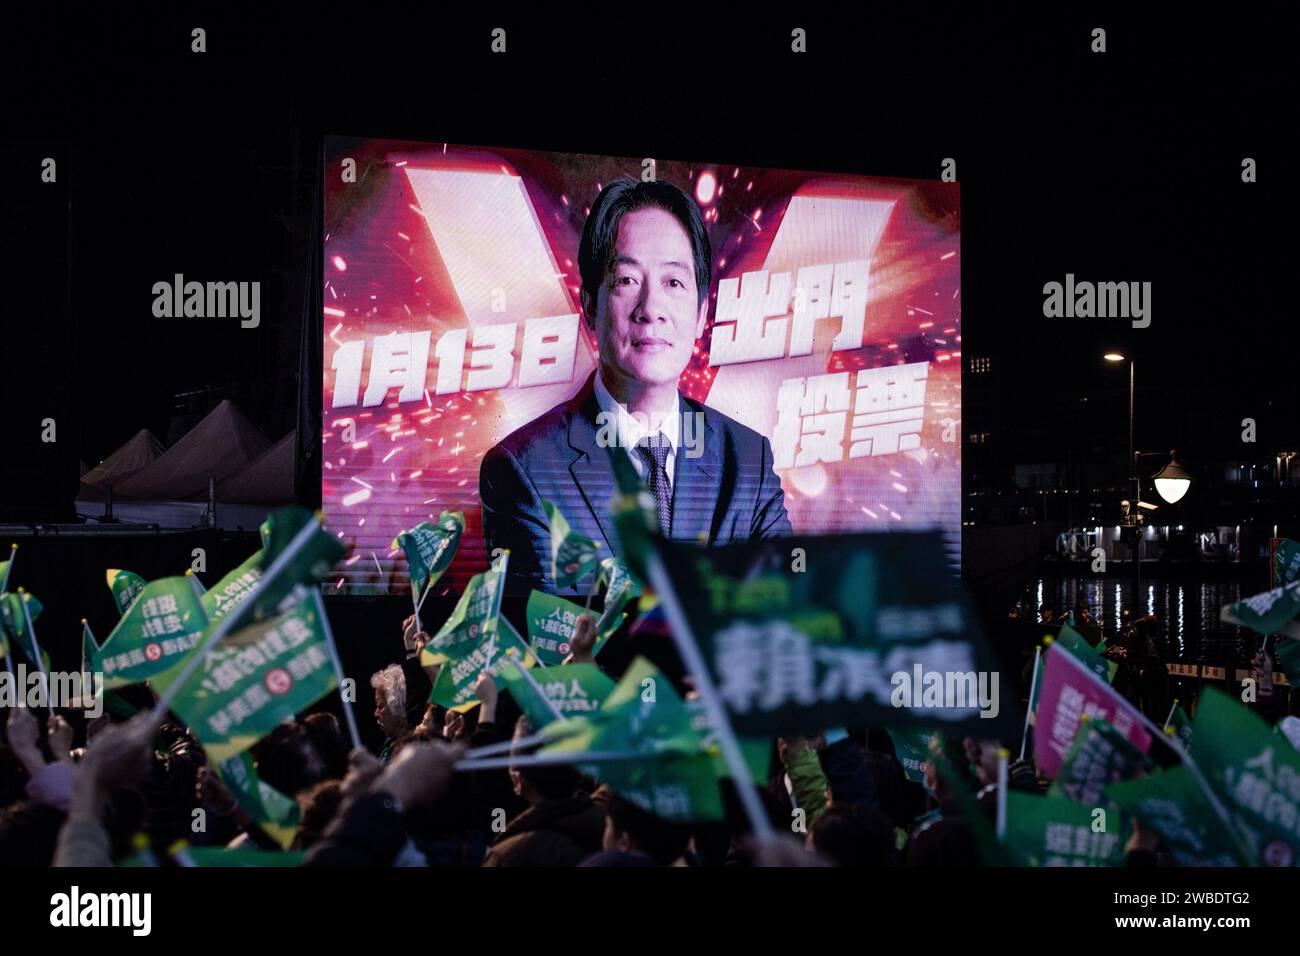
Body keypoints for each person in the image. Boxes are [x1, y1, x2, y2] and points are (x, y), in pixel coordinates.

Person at [479, 178, 792, 598]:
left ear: (701, 316)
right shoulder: (525, 470)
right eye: (626, 280)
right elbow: (545, 650)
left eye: (673, 283)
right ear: (590, 306)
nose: (652, 309)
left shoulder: (748, 463)